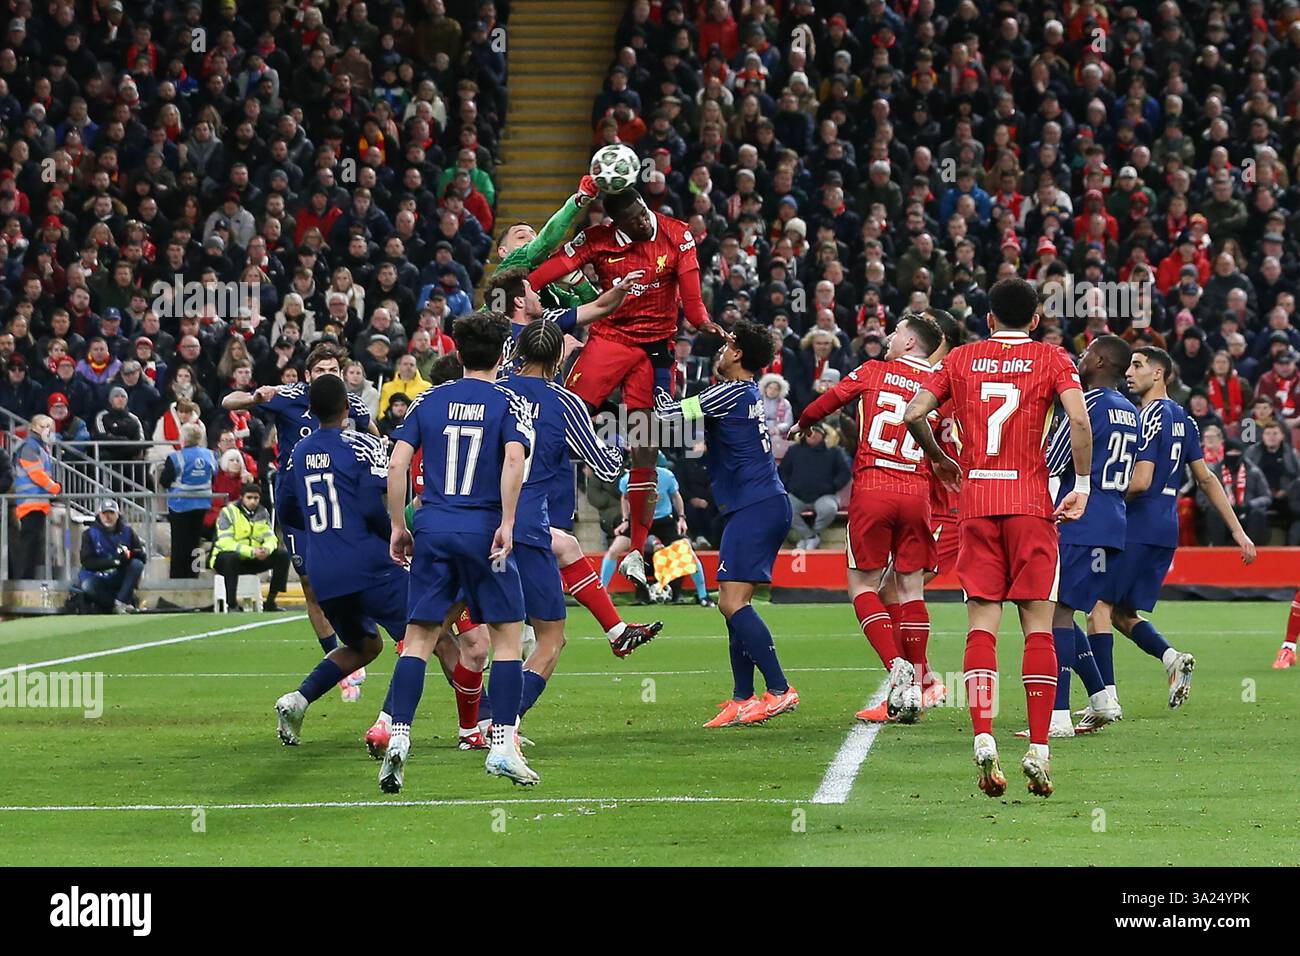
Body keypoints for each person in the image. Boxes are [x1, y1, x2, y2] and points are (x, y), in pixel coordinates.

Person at [904, 277, 1093, 798]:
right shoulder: (1053, 358)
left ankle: (983, 736)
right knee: (1038, 628)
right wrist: (1081, 486)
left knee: (982, 626)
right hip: (1031, 504)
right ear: (1035, 320)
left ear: (988, 319)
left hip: (978, 504)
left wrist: (939, 459)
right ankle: (1039, 748)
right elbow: (1079, 420)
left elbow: (914, 412)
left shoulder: (960, 358)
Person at [528, 188, 721, 590]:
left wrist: (704, 322)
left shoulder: (676, 233)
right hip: (610, 339)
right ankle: (530, 498)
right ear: (616, 224)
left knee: (646, 446)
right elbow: (549, 269)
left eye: (644, 213)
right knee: (562, 417)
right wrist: (522, 288)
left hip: (653, 351)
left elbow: (692, 301)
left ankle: (634, 548)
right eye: (633, 221)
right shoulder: (599, 240)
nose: (643, 223)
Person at [382, 311, 538, 791]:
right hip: (483, 530)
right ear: (503, 353)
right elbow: (514, 458)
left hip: (433, 527)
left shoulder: (428, 399)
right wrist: (507, 521)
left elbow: (397, 463)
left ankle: (399, 736)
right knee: (507, 638)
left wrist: (398, 525)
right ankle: (502, 745)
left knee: (419, 638)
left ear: (457, 351)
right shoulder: (509, 401)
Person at [485, 264, 663, 654]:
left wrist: (619, 288)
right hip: (522, 499)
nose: (539, 293)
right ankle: (504, 677)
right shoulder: (557, 393)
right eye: (532, 290)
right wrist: (620, 439)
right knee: (543, 636)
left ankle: (615, 631)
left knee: (562, 545)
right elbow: (606, 464)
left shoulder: (496, 381)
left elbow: (597, 307)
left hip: (487, 496)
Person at [790, 312, 945, 723]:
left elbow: (827, 402)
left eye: (896, 332)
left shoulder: (873, 371)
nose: (889, 336)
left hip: (874, 487)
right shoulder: (940, 382)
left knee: (862, 585)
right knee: (911, 590)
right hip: (917, 491)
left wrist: (802, 423)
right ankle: (921, 682)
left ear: (910, 342)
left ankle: (897, 665)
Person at [1088, 347, 1257, 718]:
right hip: (1165, 527)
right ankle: (1171, 658)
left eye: (1137, 365)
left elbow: (1141, 480)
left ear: (1159, 373)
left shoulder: (1148, 416)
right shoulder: (1185, 419)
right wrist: (1238, 531)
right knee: (1121, 612)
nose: (1129, 372)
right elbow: (1206, 479)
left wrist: (1095, 496)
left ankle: (1106, 699)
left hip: (1135, 523)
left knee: (1097, 605)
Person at [654, 320, 798, 728]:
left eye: (727, 345)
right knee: (734, 604)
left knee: (732, 603)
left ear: (737, 354)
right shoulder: (744, 392)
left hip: (755, 505)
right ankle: (742, 697)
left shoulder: (730, 392)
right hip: (757, 503)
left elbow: (667, 414)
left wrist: (659, 368)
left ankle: (780, 689)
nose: (720, 350)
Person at [222, 343, 377, 683]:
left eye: (332, 370)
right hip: (297, 504)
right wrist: (256, 397)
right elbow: (229, 402)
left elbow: (374, 435)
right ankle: (337, 661)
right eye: (320, 371)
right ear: (307, 375)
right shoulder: (288, 397)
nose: (326, 376)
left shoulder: (353, 405)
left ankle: (360, 639)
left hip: (339, 503)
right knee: (309, 584)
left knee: (351, 574)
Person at [272, 376, 409, 746]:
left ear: (311, 411)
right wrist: (394, 537)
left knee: (366, 646)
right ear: (347, 408)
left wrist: (324, 532)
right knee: (425, 633)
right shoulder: (363, 444)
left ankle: (298, 700)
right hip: (368, 564)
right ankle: (394, 725)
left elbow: (286, 508)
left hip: (324, 572)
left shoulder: (298, 452)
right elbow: (371, 506)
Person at [1040, 335, 1136, 736]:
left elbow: (1052, 459)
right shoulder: (1130, 410)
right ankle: (1101, 698)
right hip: (1113, 519)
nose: (1079, 357)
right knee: (1068, 607)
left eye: (1086, 352)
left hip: (1080, 517)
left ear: (1099, 361)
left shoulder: (1087, 403)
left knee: (1055, 611)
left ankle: (1057, 715)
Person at [210, 482, 291, 613]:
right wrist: (251, 552)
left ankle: (271, 601)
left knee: (283, 556)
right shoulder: (228, 512)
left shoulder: (262, 513)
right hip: (225, 559)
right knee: (231, 558)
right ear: (241, 498)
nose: (253, 501)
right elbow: (225, 542)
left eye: (256, 498)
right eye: (249, 498)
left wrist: (266, 549)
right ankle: (232, 604)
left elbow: (271, 538)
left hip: (253, 558)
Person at [778, 423, 851, 550]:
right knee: (784, 508)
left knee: (829, 509)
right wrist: (789, 487)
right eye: (809, 433)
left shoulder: (835, 452)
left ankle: (814, 534)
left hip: (825, 495)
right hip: (797, 495)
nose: (812, 435)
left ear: (823, 435)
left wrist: (832, 487)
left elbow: (845, 473)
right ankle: (809, 536)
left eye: (816, 432)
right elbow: (783, 472)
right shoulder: (794, 451)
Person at [158, 422, 217, 579]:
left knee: (179, 543)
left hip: (180, 505)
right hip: (202, 504)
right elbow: (213, 476)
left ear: (183, 438)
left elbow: (164, 480)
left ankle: (178, 576)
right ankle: (193, 574)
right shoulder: (210, 455)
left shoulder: (176, 457)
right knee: (195, 541)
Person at [11, 414, 61, 579]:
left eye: (50, 427)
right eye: (45, 426)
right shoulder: (30, 447)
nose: (48, 430)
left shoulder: (39, 447)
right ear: (34, 427)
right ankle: (25, 578)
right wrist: (54, 488)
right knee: (29, 542)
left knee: (34, 543)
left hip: (37, 502)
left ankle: (29, 577)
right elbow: (36, 474)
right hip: (29, 501)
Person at [78, 499, 146, 614]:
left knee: (137, 565)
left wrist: (128, 555)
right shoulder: (89, 534)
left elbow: (140, 555)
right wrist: (114, 562)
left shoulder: (128, 532)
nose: (108, 517)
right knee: (87, 586)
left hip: (118, 576)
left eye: (111, 513)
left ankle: (121, 602)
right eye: (104, 513)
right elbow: (87, 561)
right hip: (97, 577)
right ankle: (116, 605)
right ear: (99, 515)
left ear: (117, 515)